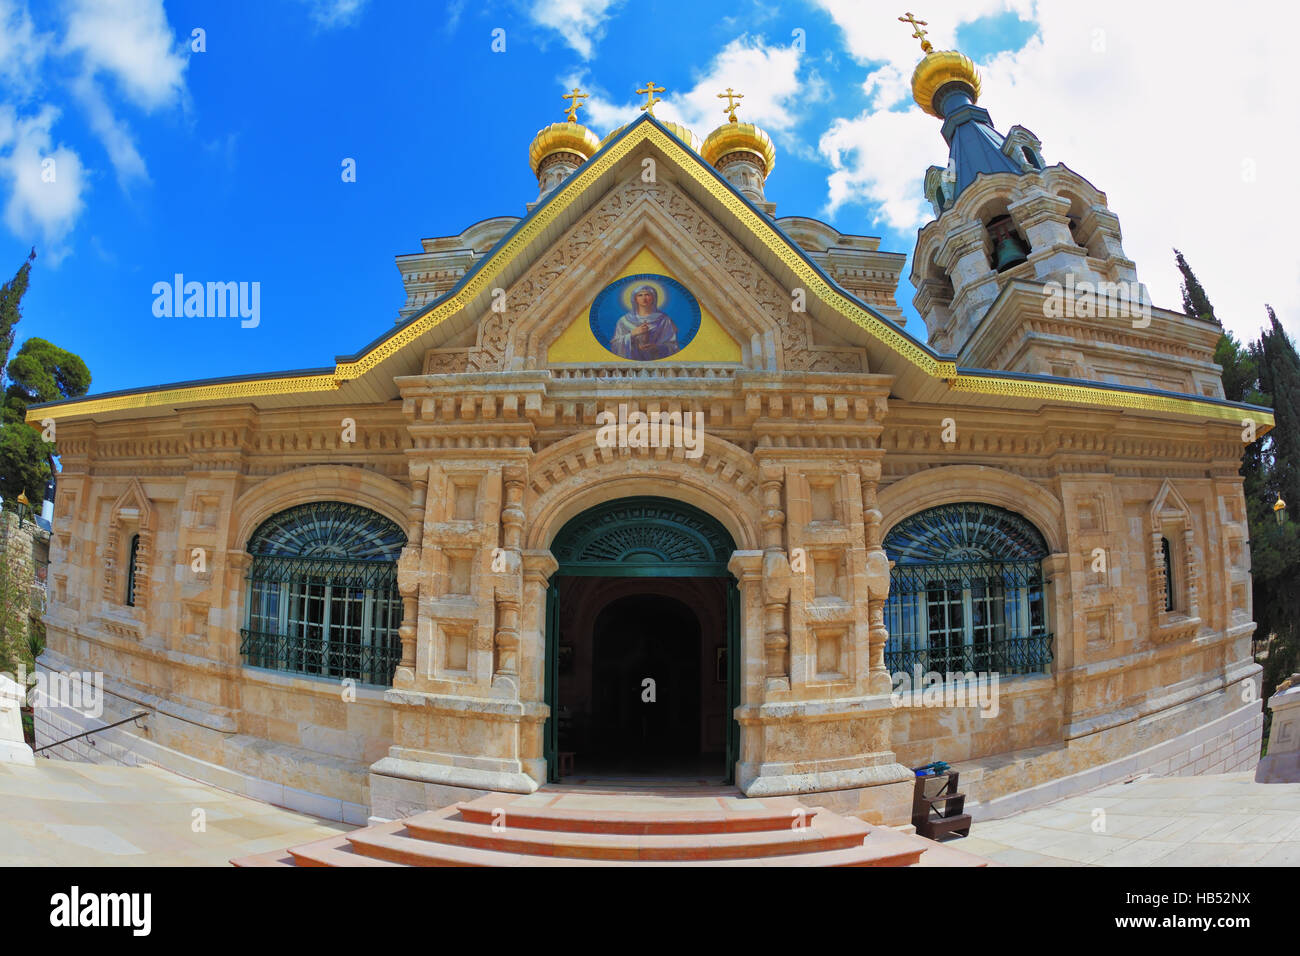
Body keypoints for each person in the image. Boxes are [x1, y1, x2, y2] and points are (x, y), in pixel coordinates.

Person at [609, 284, 679, 360]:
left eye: (647, 295)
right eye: (640, 295)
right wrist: (632, 334)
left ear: (653, 298)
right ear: (635, 299)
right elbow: (615, 345)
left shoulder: (663, 320)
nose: (644, 298)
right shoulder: (624, 321)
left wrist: (656, 348)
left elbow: (673, 346)